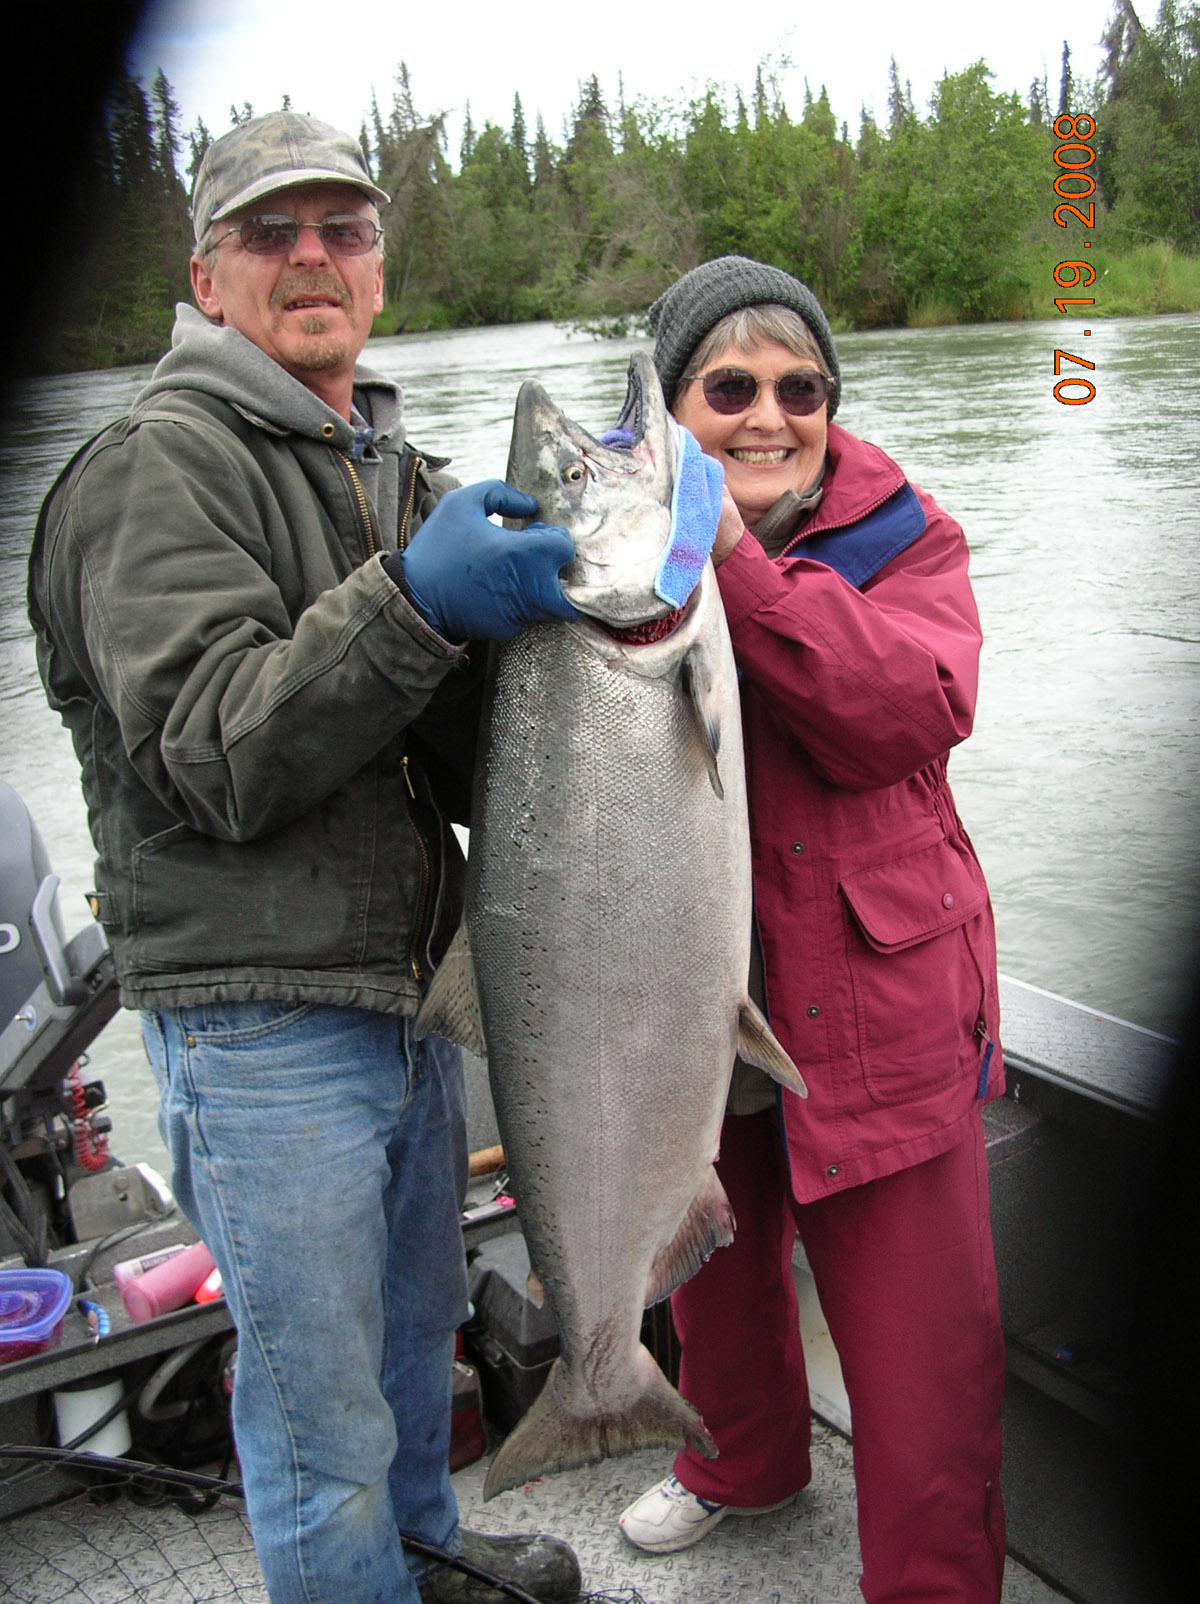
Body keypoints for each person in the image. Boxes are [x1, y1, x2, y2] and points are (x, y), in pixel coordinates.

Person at [28, 111, 585, 1604]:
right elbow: (214, 748)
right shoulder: (156, 466)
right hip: (260, 1021)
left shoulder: (384, 464)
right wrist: (416, 600)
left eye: (343, 228)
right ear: (207, 279)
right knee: (319, 1415)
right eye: (270, 234)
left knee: (413, 1355)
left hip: (405, 1002)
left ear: (383, 270)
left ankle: (431, 1562)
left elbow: (459, 757)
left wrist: (593, 633)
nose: (311, 258)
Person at [617, 256, 1008, 1604]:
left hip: (881, 995)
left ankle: (934, 1585)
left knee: (921, 1359)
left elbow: (907, 709)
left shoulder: (907, 535)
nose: (767, 414)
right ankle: (741, 1464)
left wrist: (737, 563)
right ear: (672, 406)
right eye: (728, 386)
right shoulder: (615, 544)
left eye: (802, 387)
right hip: (694, 987)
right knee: (714, 1280)